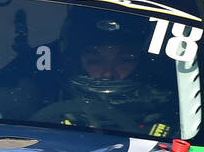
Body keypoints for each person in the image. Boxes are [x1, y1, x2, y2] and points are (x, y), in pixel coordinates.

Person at [36, 18, 175, 135]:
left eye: (125, 61)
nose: (108, 74)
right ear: (77, 63)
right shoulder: (44, 103)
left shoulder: (170, 118)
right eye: (95, 62)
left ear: (142, 65)